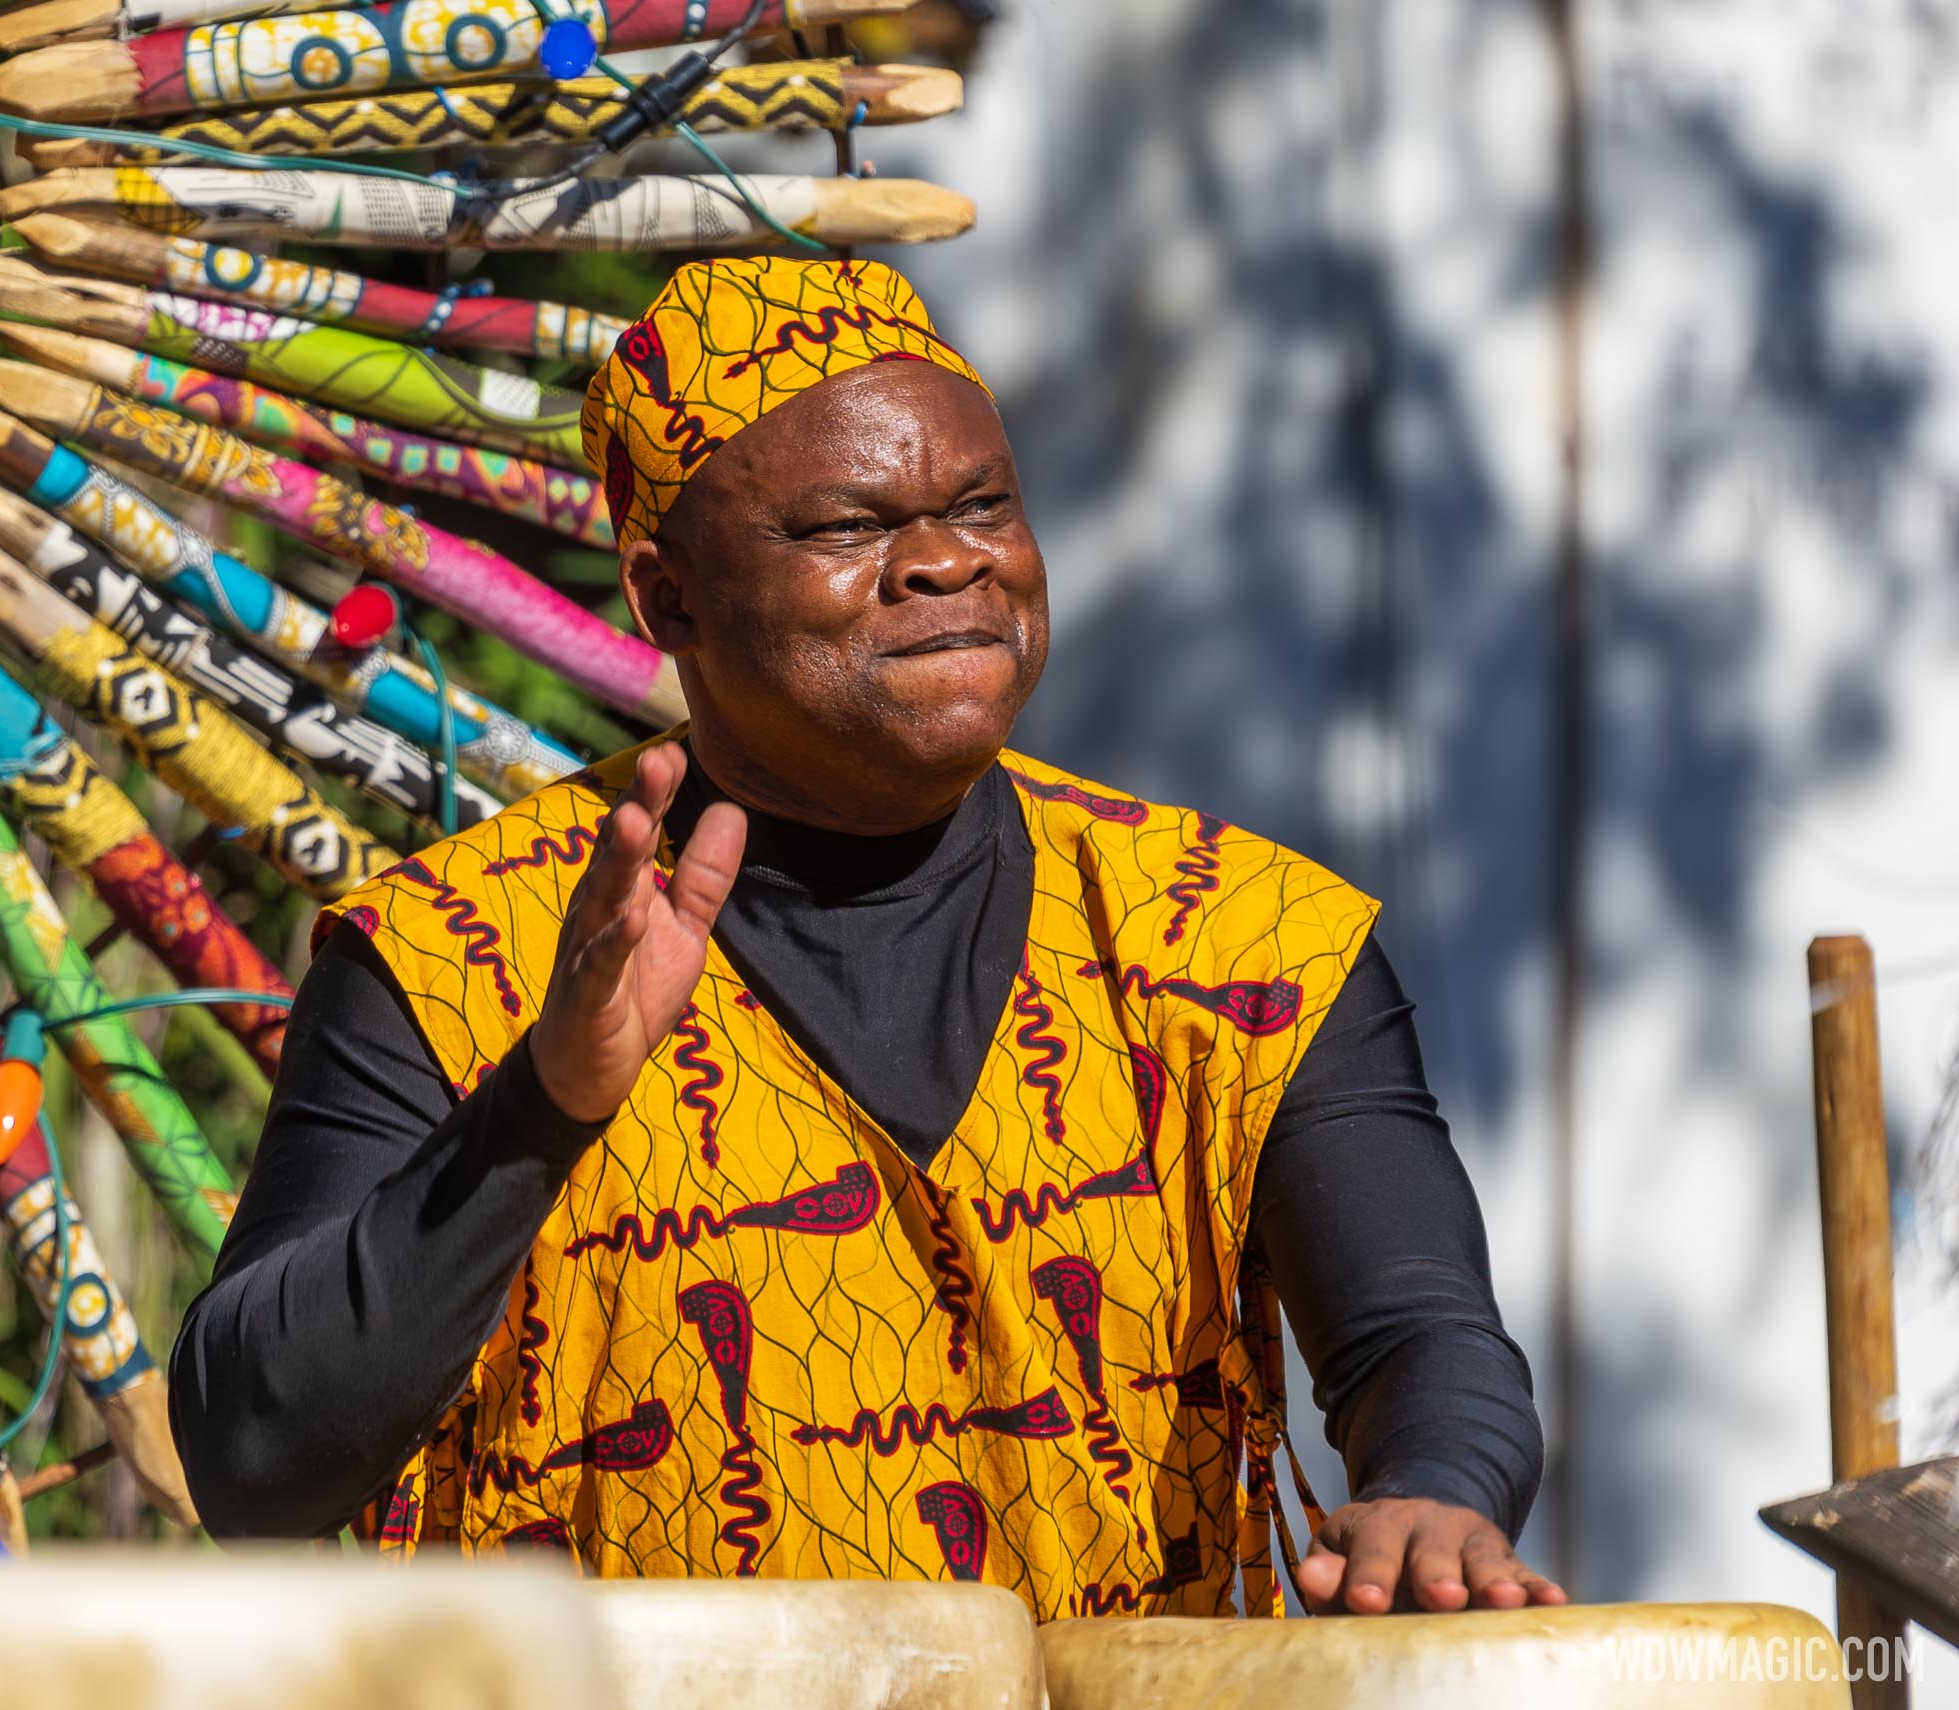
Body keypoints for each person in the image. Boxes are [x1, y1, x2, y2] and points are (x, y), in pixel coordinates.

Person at [172, 257, 1561, 1621]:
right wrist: (542, 1107)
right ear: (670, 601)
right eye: (850, 525)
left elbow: (1420, 1337)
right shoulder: (458, 955)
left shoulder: (1243, 945)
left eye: (982, 504)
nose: (948, 560)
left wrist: (1434, 1492)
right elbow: (251, 1455)